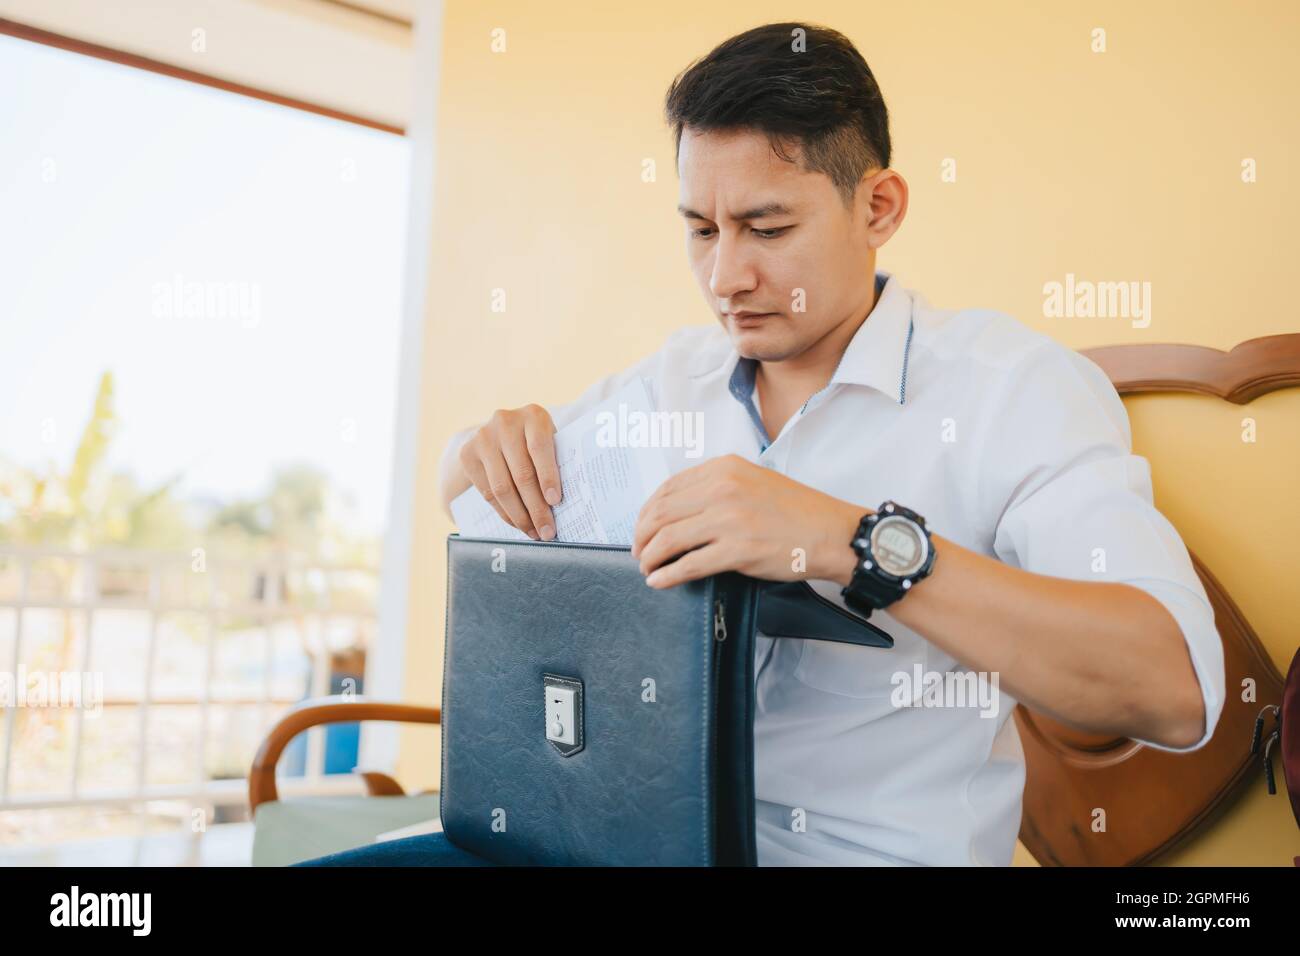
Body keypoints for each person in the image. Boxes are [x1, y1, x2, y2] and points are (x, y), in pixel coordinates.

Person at [297, 20, 1223, 867]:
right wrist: (475, 450)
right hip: (599, 836)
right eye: (700, 230)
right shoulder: (669, 382)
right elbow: (466, 495)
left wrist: (849, 542)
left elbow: (1173, 686)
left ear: (881, 208)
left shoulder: (1013, 388)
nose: (724, 276)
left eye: (767, 228)